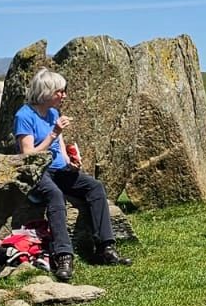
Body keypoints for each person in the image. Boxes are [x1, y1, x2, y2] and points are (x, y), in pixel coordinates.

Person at [14, 69, 132, 283]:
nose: (64, 95)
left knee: (95, 187)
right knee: (55, 195)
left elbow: (59, 148)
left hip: (59, 169)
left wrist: (71, 163)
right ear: (46, 92)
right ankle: (64, 256)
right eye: (61, 91)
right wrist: (53, 133)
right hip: (38, 171)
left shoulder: (53, 113)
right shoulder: (24, 116)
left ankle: (105, 247)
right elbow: (28, 155)